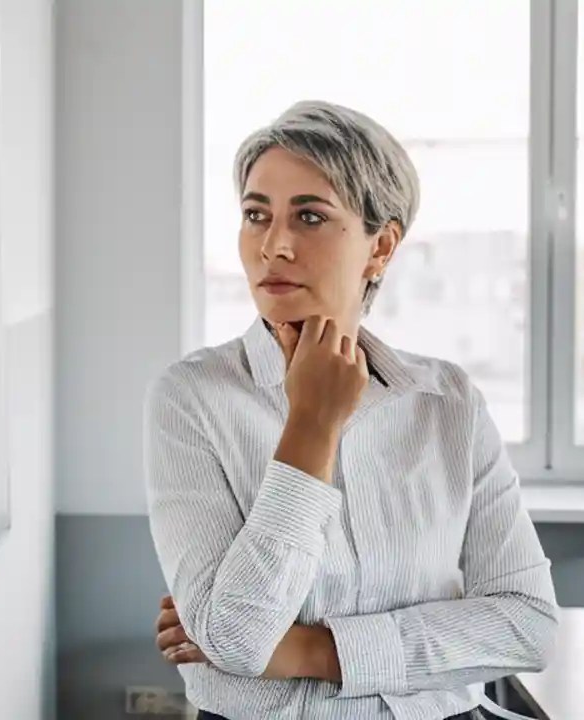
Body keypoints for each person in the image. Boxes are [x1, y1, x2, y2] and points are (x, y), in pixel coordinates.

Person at [143, 100, 558, 720]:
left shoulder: (447, 403)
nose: (274, 245)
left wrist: (313, 650)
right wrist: (313, 423)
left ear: (381, 247)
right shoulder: (192, 398)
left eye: (309, 216)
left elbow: (527, 624)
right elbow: (237, 639)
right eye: (257, 215)